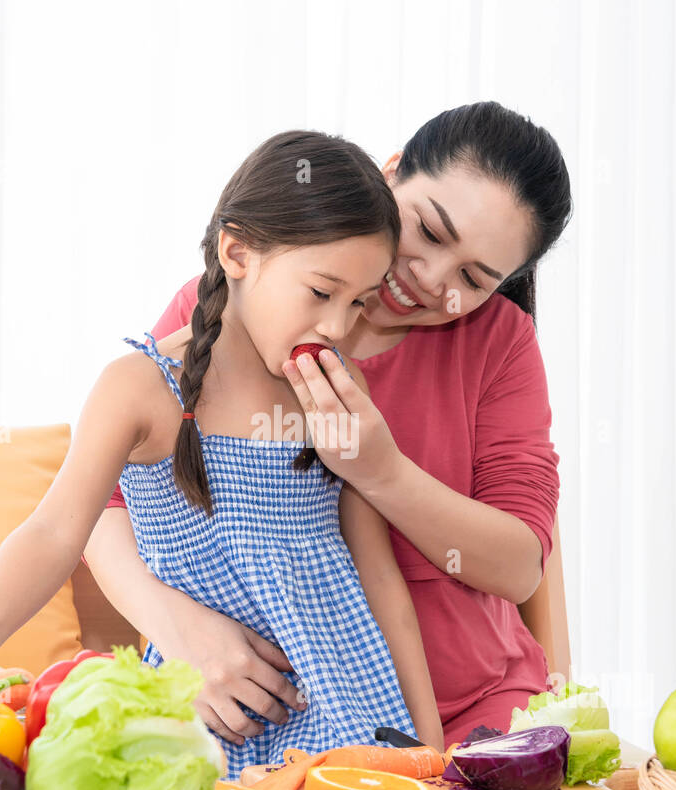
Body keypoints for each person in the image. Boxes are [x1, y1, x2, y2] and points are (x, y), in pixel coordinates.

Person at [0, 129, 442, 778]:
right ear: (237, 252)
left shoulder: (337, 391)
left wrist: (431, 748)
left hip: (350, 716)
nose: (336, 327)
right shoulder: (139, 386)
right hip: (208, 721)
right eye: (321, 293)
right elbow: (54, 530)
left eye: (358, 303)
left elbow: (378, 575)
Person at [83, 102, 574, 747]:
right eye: (428, 230)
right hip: (274, 713)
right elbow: (103, 507)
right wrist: (182, 635)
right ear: (390, 172)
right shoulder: (234, 308)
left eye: (473, 278)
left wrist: (383, 473)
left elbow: (518, 568)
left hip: (469, 713)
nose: (430, 280)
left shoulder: (499, 343)